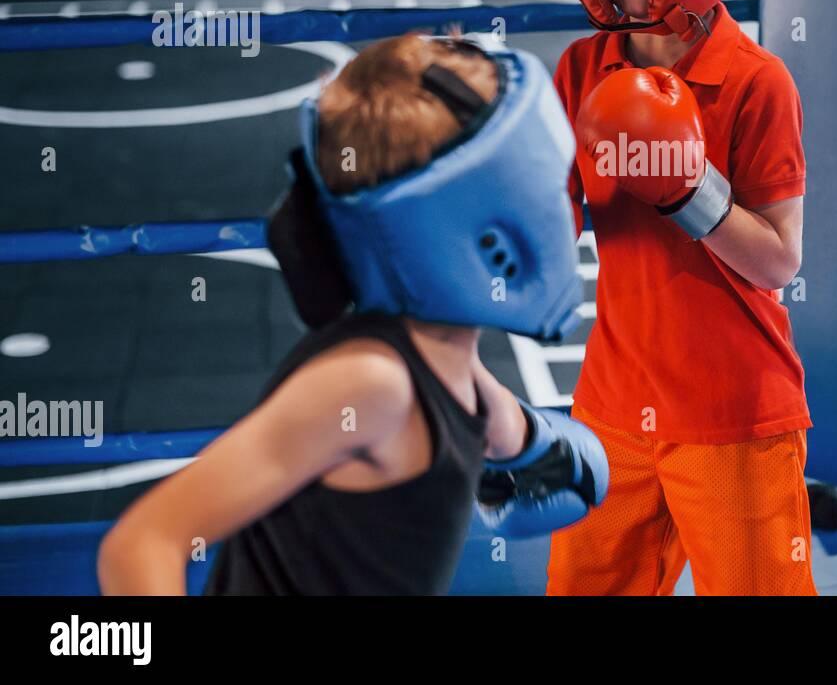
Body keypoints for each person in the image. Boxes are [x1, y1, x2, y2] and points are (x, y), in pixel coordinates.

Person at [97, 32, 607, 595]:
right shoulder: (369, 384)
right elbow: (143, 543)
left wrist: (558, 457)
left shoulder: (454, 370)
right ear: (492, 215)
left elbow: (529, 443)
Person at [548, 0, 817, 595]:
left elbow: (780, 259)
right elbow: (549, 223)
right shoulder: (581, 67)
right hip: (612, 404)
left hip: (733, 411)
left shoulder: (755, 80)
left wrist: (688, 191)